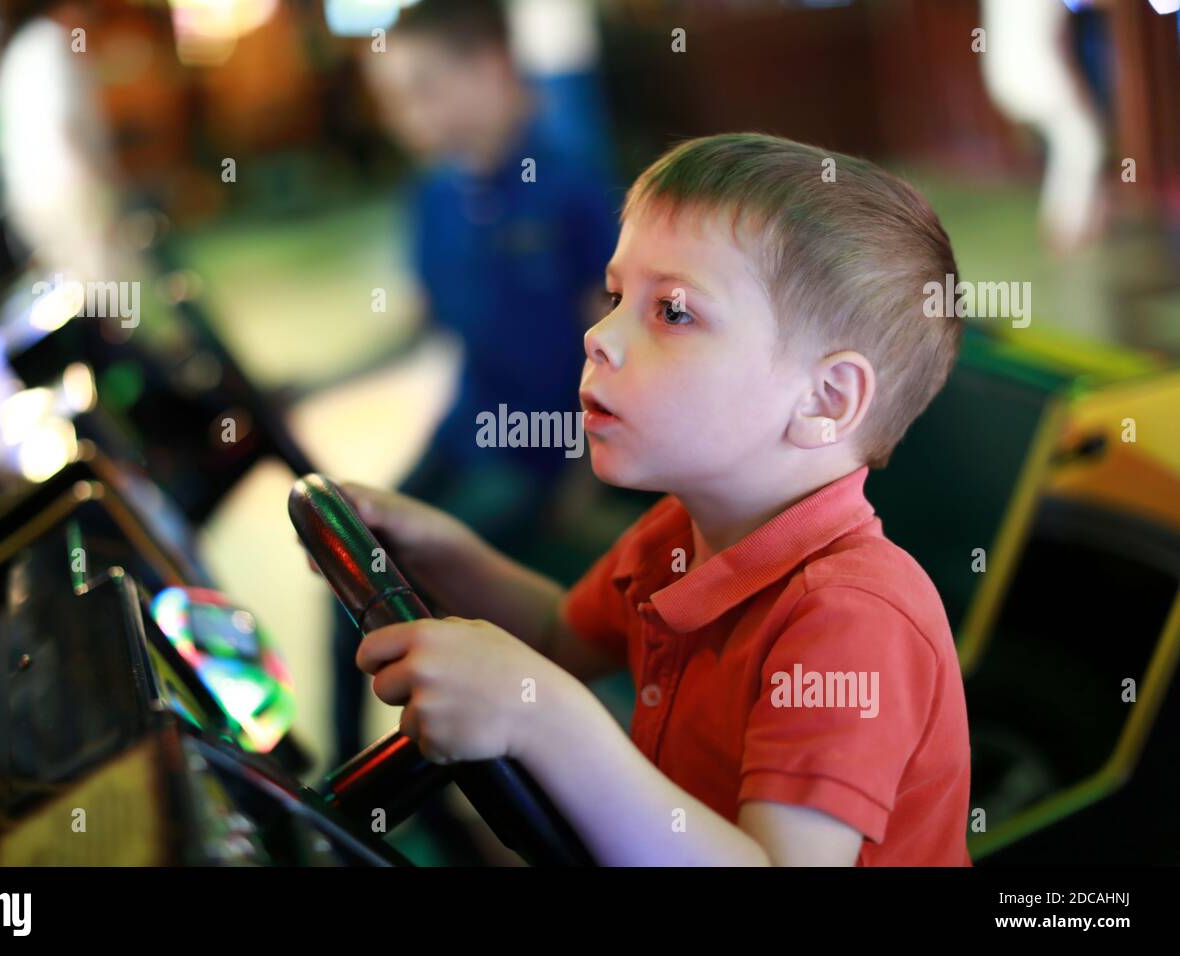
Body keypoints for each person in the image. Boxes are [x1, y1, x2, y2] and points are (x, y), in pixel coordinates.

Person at [319, 133, 973, 866]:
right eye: (615, 296)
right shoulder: (677, 534)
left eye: (673, 312)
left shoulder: (851, 619)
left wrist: (550, 721)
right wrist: (444, 553)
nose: (599, 336)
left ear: (826, 397)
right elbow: (562, 634)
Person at [330, 0, 619, 769]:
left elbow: (615, 342)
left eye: (420, 88)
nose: (401, 116)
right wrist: (310, 381)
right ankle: (326, 786)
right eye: (390, 98)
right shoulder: (433, 196)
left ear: (491, 69)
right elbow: (423, 322)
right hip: (465, 431)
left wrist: (584, 469)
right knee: (342, 560)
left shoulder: (575, 187)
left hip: (536, 454)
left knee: (404, 603)